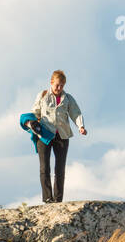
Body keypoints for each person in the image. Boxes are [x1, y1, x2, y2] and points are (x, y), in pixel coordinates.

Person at [28, 69, 87, 203]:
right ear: (51, 82)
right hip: (44, 135)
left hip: (62, 135)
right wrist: (33, 123)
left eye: (62, 86)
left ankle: (58, 200)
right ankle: (48, 198)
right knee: (44, 168)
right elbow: (34, 113)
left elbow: (76, 113)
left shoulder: (68, 98)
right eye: (57, 85)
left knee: (60, 169)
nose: (59, 88)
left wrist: (81, 126)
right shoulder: (42, 95)